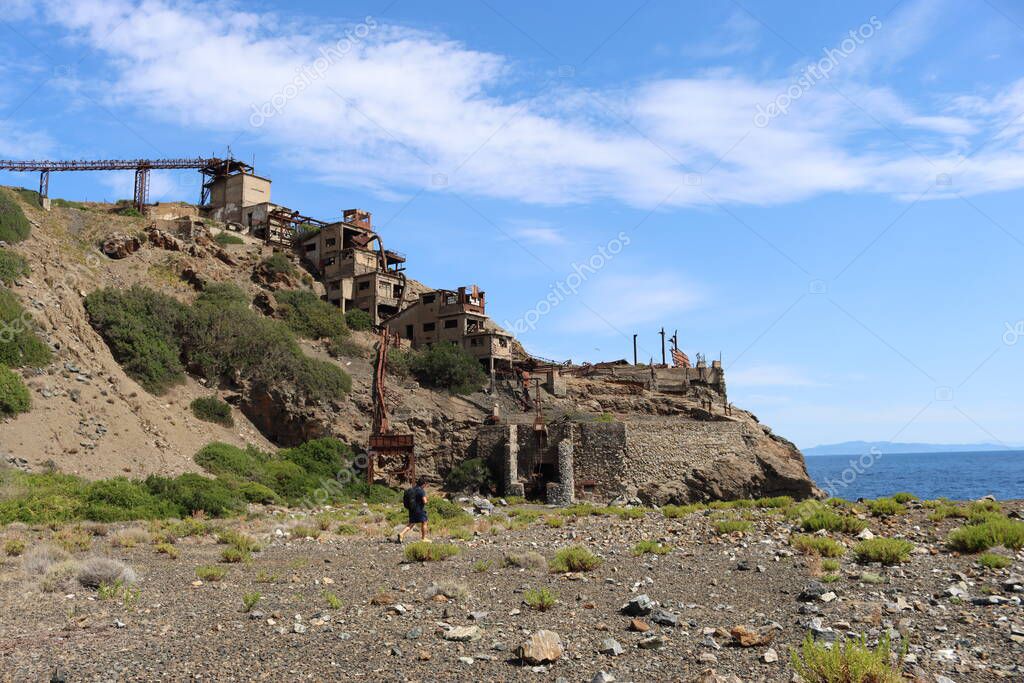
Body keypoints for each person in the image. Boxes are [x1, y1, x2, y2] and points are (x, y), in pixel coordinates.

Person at [398, 477, 429, 542]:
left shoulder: (413, 489)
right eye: (426, 484)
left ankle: (401, 534)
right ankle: (424, 538)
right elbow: (425, 501)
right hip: (419, 510)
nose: (426, 486)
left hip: (412, 509)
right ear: (424, 484)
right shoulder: (421, 490)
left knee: (411, 523)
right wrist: (426, 499)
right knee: (424, 522)